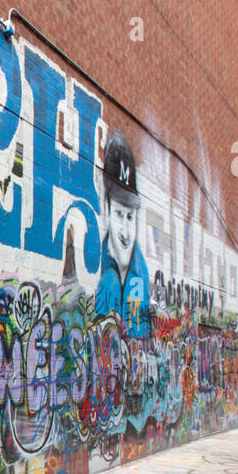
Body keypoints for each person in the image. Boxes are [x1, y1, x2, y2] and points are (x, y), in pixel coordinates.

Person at [95, 132, 151, 337]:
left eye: (130, 217)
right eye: (119, 214)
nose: (126, 233)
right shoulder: (92, 264)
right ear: (106, 209)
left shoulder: (141, 276)